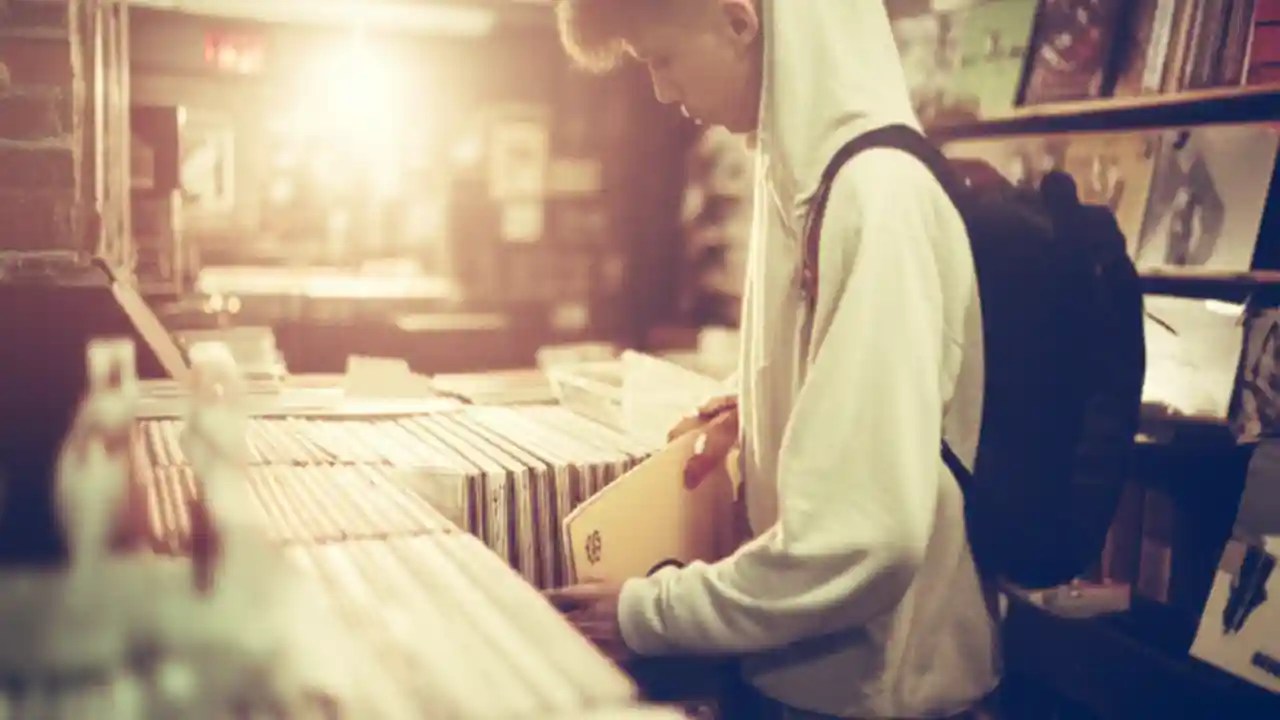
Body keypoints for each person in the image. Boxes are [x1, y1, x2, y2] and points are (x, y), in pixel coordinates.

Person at [547, 2, 1000, 718]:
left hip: (879, 698)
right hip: (807, 679)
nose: (662, 91)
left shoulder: (873, 194)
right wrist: (752, 403)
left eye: (659, 58)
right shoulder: (801, 174)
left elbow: (862, 541)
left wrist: (648, 616)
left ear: (738, 19)